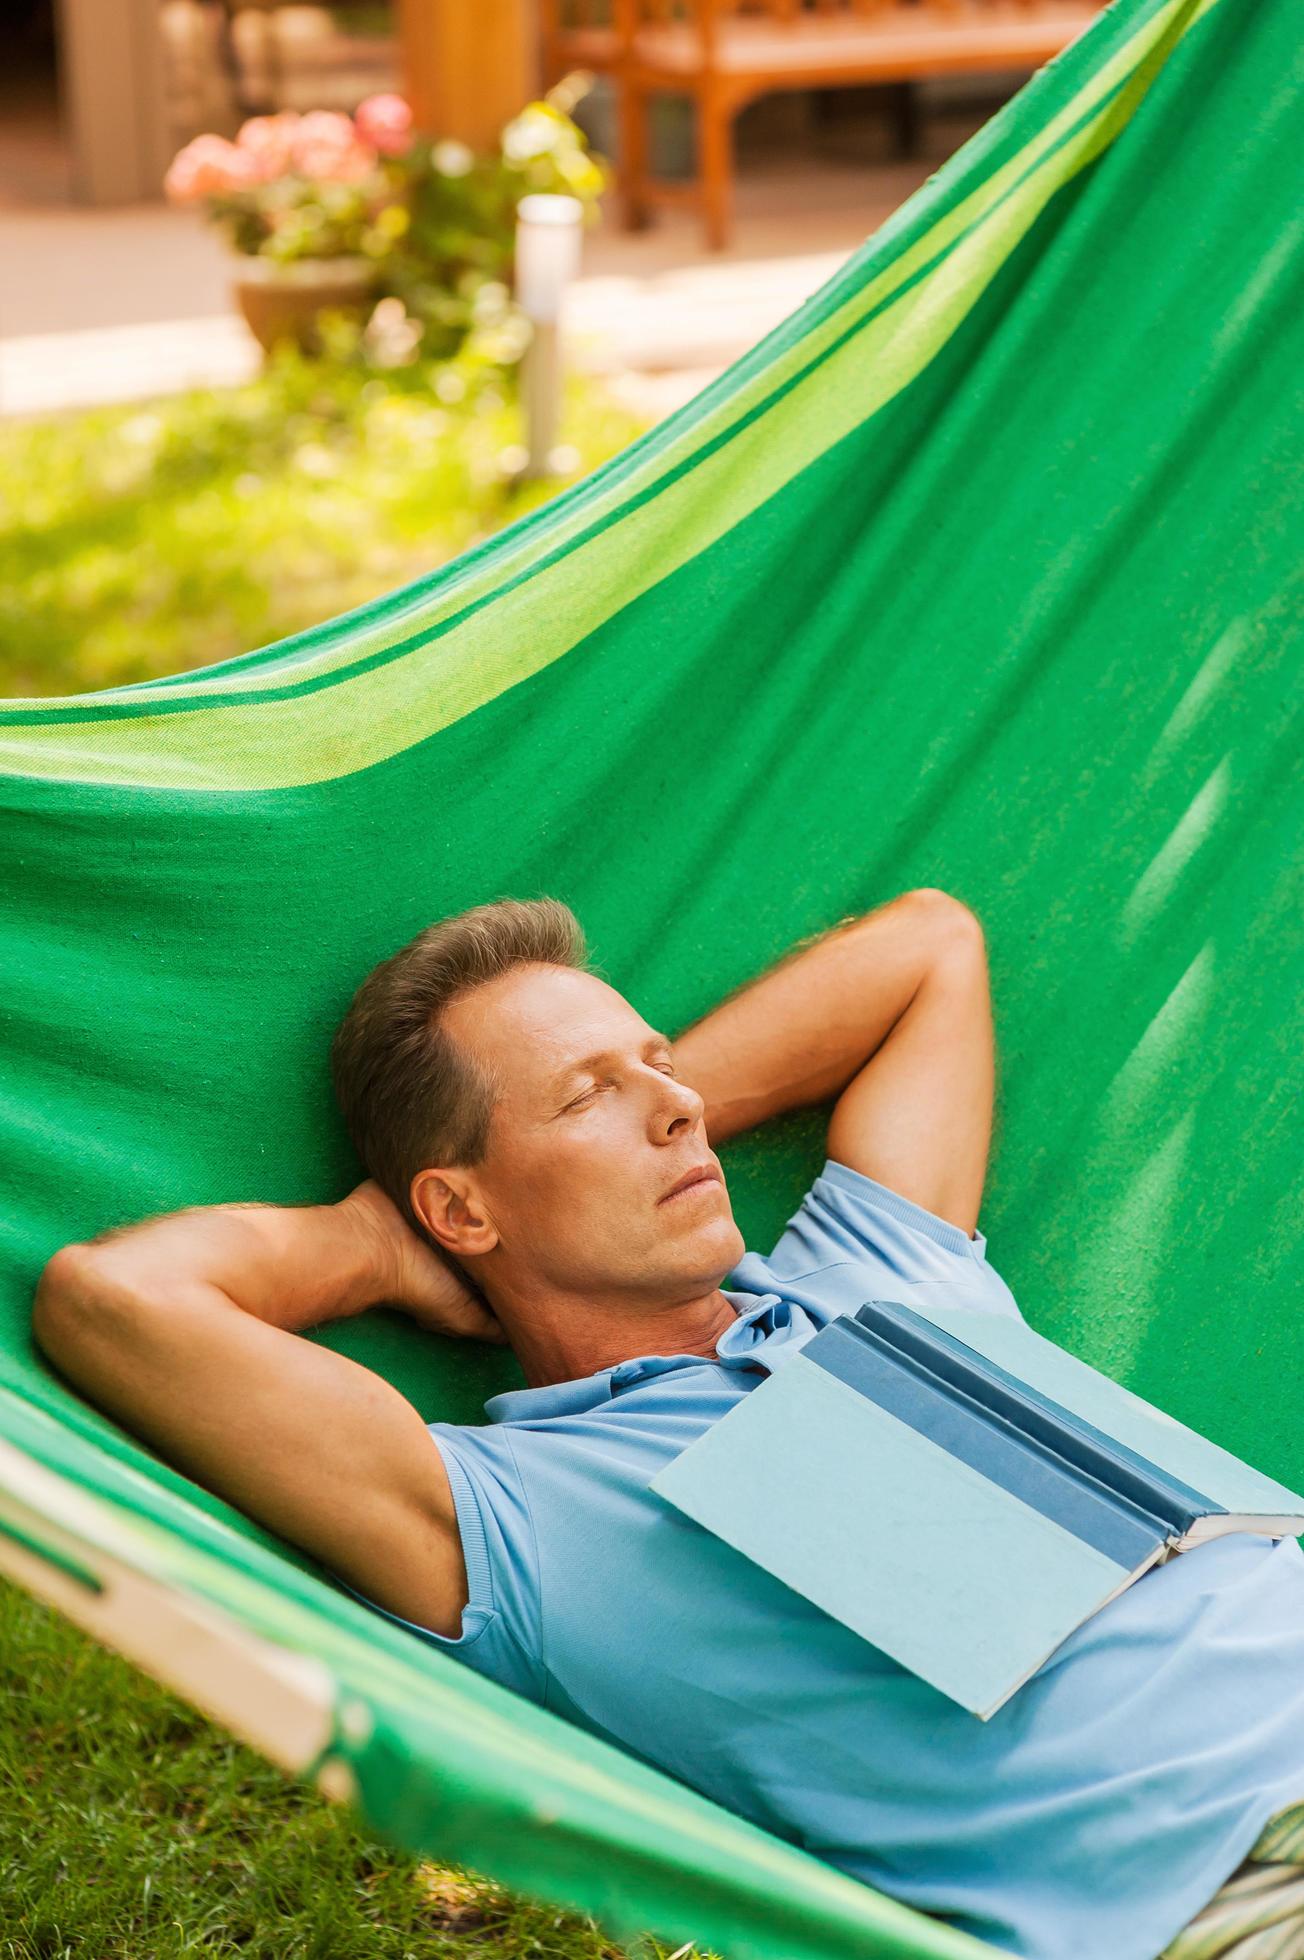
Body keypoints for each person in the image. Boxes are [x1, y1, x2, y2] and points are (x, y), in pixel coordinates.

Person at [33, 892, 1304, 1960]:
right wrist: (382, 1245)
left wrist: (627, 1110)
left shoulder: (868, 1271)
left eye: (666, 1067)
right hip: (1227, 1894)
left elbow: (925, 948)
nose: (680, 1106)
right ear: (458, 1207)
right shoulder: (514, 1519)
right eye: (589, 1093)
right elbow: (113, 1300)